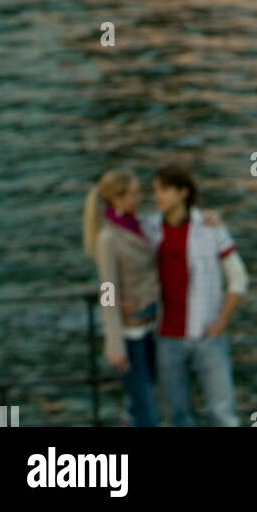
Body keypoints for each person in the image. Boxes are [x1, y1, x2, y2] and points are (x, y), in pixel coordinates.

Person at [140, 163, 248, 427]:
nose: (158, 196)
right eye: (156, 190)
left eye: (164, 190)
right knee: (176, 416)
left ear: (183, 192)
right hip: (166, 336)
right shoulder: (150, 229)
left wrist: (221, 321)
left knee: (223, 413)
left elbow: (239, 278)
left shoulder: (210, 228)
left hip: (207, 335)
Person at [83, 169, 162, 427]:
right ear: (117, 199)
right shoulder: (108, 239)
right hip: (132, 334)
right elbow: (108, 291)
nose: (140, 197)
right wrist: (114, 341)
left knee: (141, 405)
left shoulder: (141, 225)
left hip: (154, 326)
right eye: (134, 193)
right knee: (147, 409)